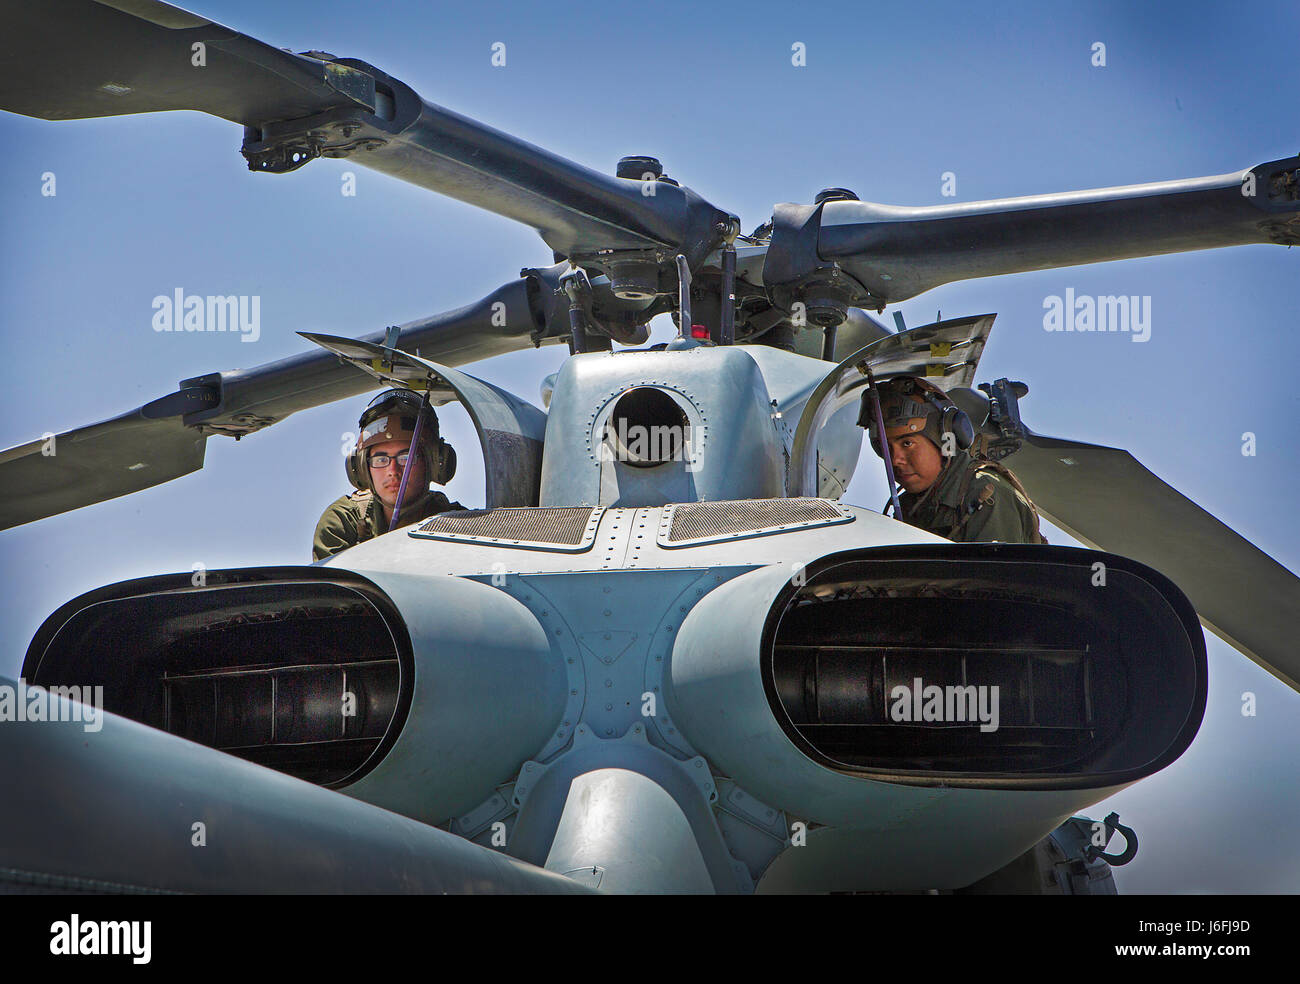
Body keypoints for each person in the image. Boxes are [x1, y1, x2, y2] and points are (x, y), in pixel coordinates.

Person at [860, 375, 1045, 544]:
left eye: (907, 443)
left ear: (945, 438)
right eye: (885, 448)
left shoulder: (985, 493)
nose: (895, 460)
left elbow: (994, 579)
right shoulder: (914, 504)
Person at [313, 389, 464, 560]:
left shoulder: (460, 527)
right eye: (380, 459)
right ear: (361, 467)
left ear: (434, 462)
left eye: (406, 458)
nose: (393, 472)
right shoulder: (344, 522)